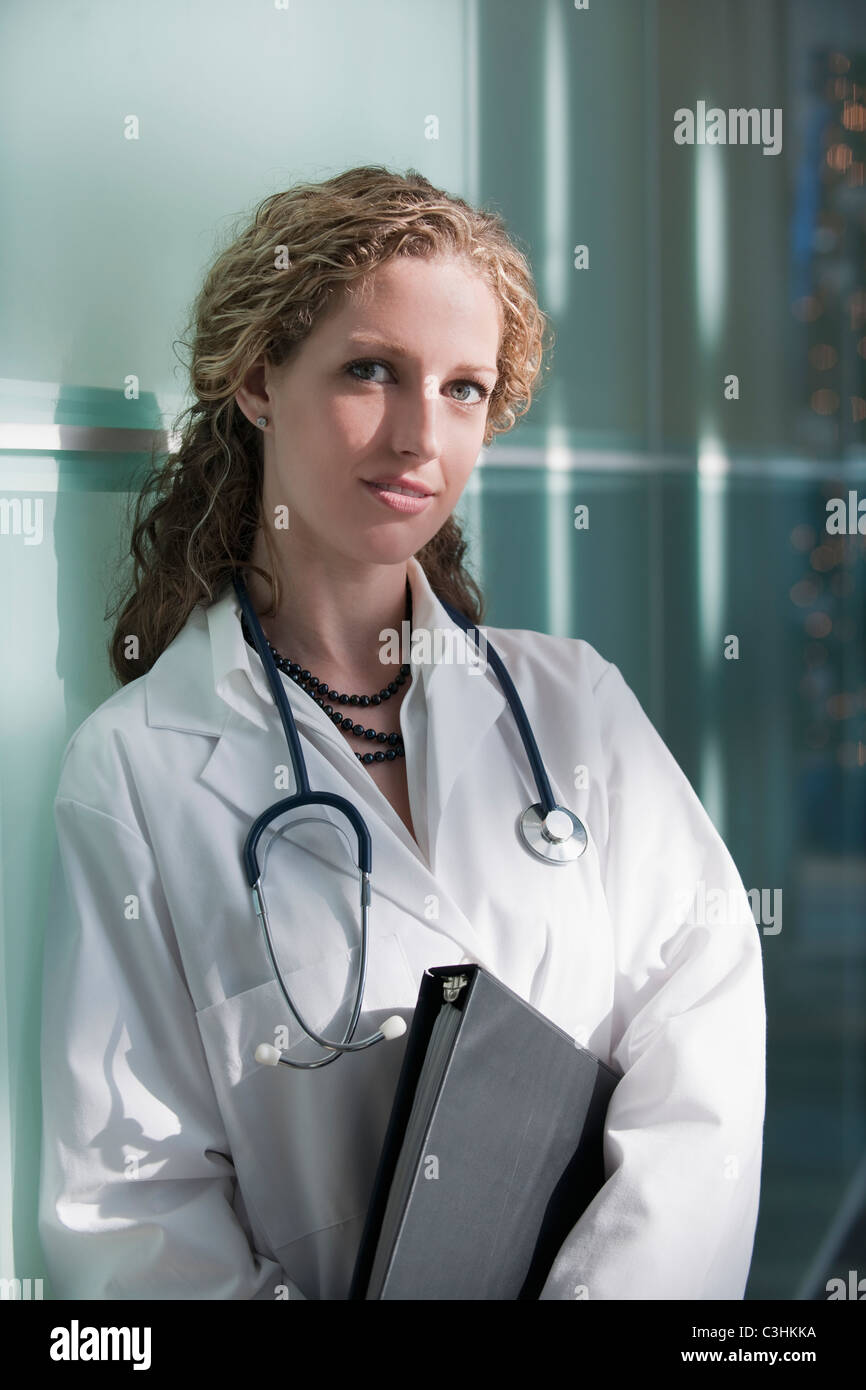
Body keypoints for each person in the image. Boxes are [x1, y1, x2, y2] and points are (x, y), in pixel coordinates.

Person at [39, 165, 766, 1301]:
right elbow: (129, 1200)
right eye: (372, 371)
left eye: (466, 388)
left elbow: (703, 1047)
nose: (421, 435)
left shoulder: (575, 706)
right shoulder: (138, 770)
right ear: (258, 378)